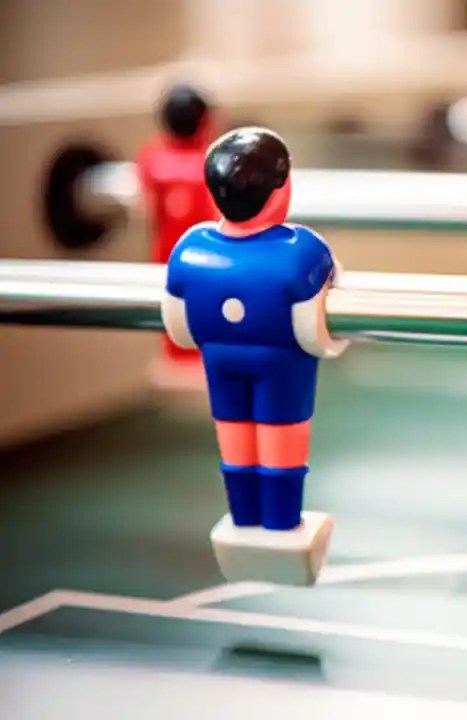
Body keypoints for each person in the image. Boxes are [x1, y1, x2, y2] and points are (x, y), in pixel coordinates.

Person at [163, 127, 347, 586]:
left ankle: (244, 518)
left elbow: (180, 330)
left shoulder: (189, 252)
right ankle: (282, 523)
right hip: (281, 370)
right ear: (279, 189)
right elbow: (314, 332)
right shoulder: (301, 253)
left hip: (220, 366)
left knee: (237, 443)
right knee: (279, 445)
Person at [137, 83, 219, 384]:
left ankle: (177, 354)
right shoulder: (211, 160)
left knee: (173, 314)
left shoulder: (150, 158)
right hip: (206, 262)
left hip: (166, 258)